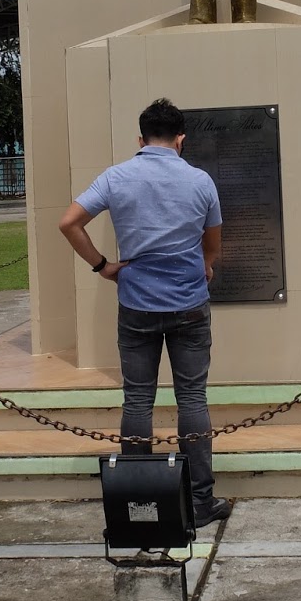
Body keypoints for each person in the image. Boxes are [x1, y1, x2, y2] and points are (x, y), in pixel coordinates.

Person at [58, 96, 231, 528]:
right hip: (189, 303)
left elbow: (69, 223)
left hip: (136, 303)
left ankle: (140, 500)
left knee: (137, 399)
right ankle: (200, 501)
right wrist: (204, 266)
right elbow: (213, 245)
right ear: (180, 139)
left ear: (140, 138)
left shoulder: (117, 177)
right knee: (192, 397)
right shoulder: (200, 181)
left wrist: (103, 266)